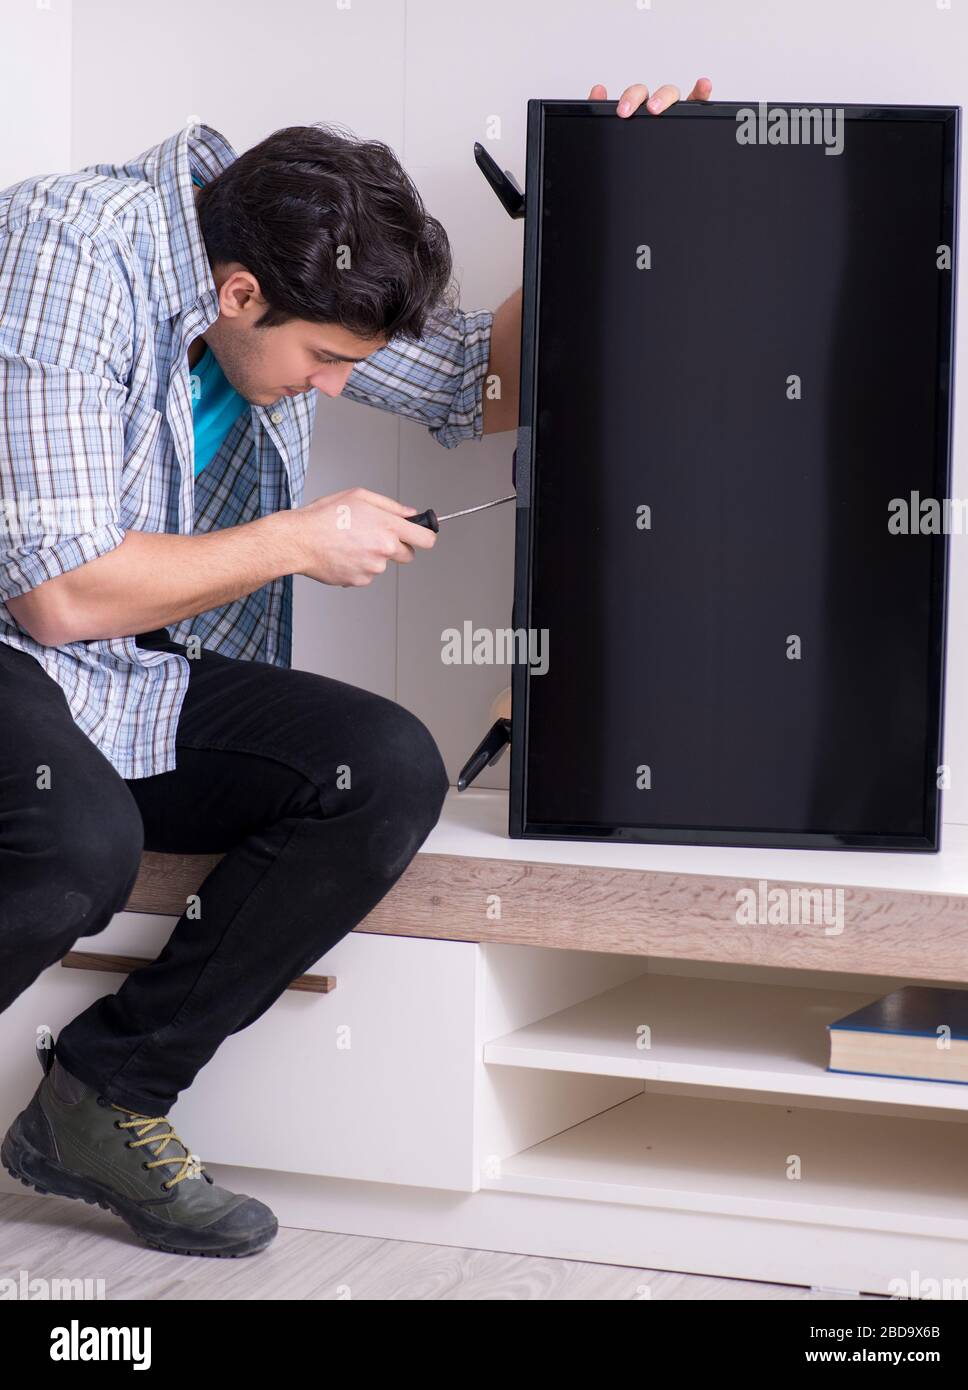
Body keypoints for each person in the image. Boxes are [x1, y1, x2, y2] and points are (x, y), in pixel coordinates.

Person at [0, 78, 711, 1259]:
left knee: (378, 766)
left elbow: (478, 379)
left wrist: (613, 187)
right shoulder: (66, 253)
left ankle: (101, 1098)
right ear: (237, 293)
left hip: (110, 664)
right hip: (27, 626)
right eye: (326, 362)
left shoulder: (287, 266)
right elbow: (59, 593)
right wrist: (294, 539)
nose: (337, 388)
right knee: (78, 839)